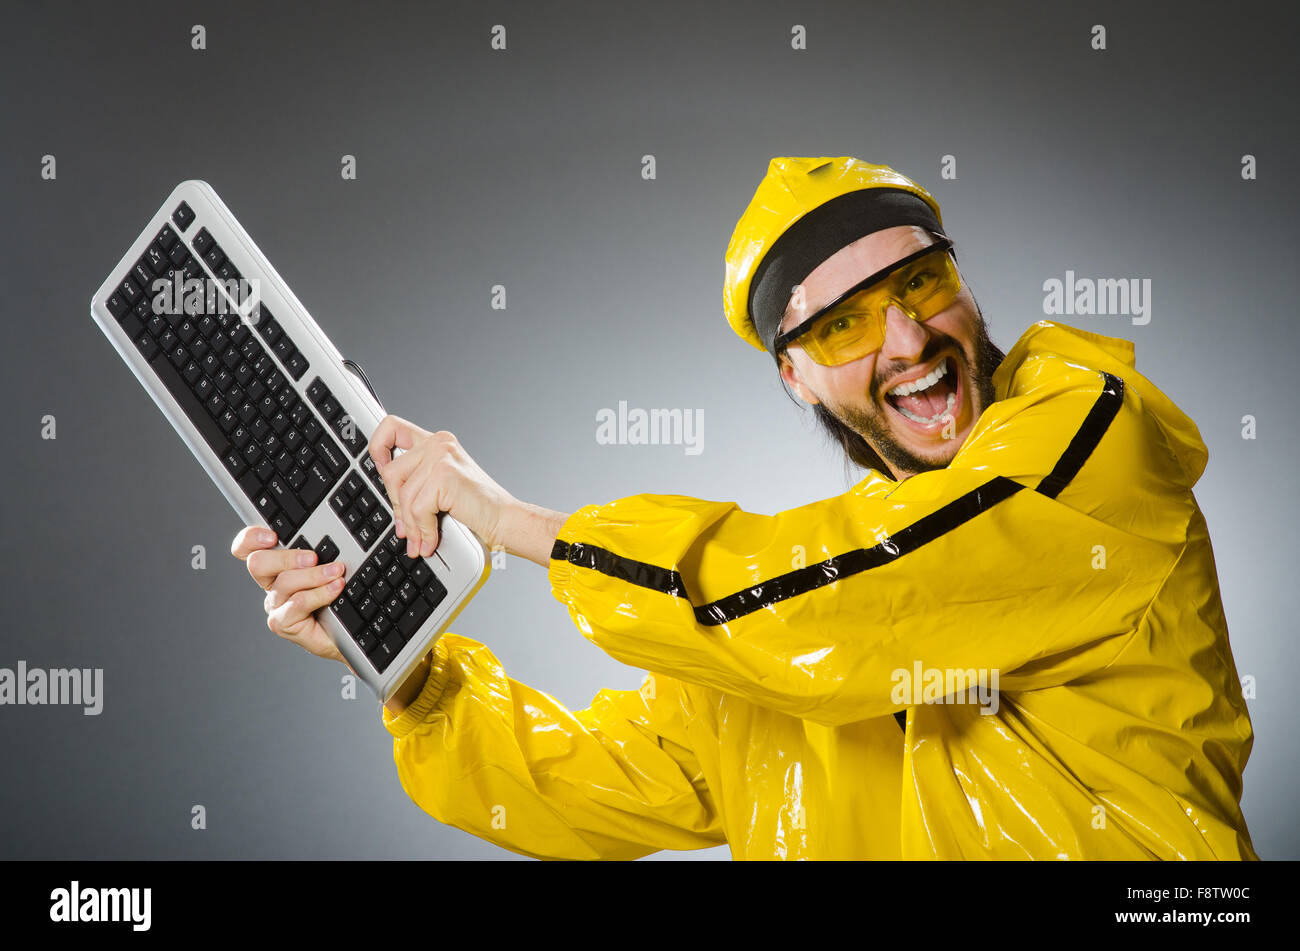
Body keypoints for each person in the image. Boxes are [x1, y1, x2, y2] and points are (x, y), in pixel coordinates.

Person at [231, 156, 1257, 860]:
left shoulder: (1089, 435)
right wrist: (404, 665)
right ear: (796, 380)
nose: (905, 342)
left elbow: (870, 596)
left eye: (922, 282)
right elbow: (595, 781)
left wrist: (517, 524)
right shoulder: (779, 621)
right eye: (847, 324)